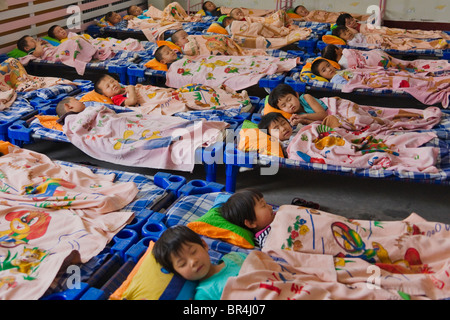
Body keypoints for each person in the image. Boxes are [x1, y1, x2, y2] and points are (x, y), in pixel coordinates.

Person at [152, 225, 247, 300]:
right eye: (182, 264)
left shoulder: (235, 257)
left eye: (193, 252)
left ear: (204, 245)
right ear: (177, 273)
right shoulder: (204, 294)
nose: (193, 262)